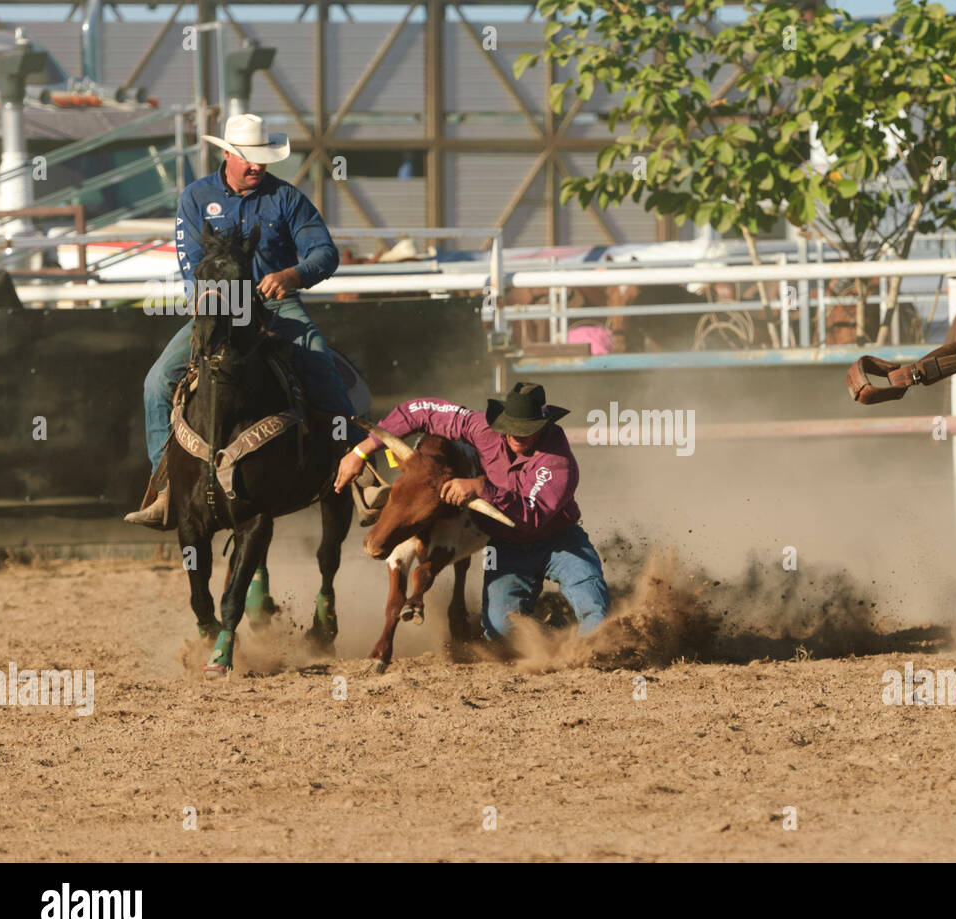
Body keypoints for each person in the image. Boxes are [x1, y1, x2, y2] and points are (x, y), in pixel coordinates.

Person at [125, 113, 359, 527]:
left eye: (262, 158)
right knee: (157, 382)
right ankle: (166, 488)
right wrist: (211, 300)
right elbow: (190, 267)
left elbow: (325, 252)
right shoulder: (196, 199)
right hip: (220, 307)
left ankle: (358, 473)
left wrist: (292, 275)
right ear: (227, 154)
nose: (257, 166)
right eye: (248, 157)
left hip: (276, 305)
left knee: (322, 367)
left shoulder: (287, 198)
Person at [333, 382, 611, 641]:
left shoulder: (557, 460)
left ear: (543, 426)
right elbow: (420, 411)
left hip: (559, 541)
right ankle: (558, 636)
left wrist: (480, 486)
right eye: (510, 426)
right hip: (507, 548)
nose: (515, 435)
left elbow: (531, 515)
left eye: (526, 429)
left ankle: (595, 648)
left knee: (594, 610)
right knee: (499, 632)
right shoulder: (483, 429)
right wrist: (362, 451)